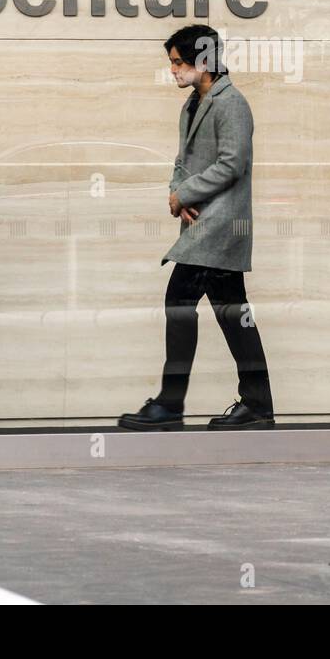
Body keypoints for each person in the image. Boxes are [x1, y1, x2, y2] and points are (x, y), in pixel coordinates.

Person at [120, 25, 274, 431]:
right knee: (233, 315)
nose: (172, 70)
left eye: (177, 62)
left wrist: (185, 192)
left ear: (201, 61)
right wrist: (178, 191)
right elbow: (181, 160)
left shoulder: (231, 103)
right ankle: (258, 404)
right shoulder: (192, 105)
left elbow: (233, 162)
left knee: (181, 302)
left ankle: (171, 404)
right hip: (203, 227)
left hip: (219, 227)